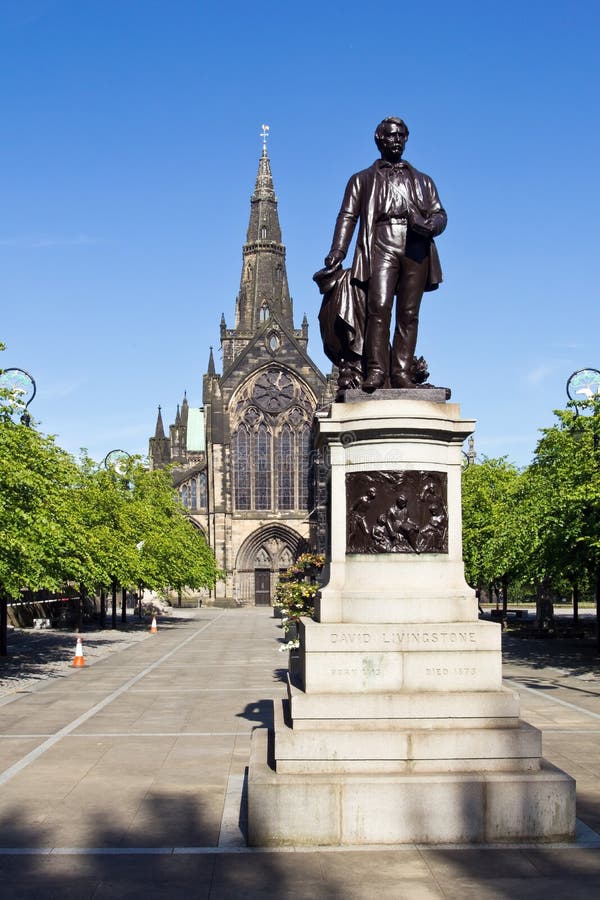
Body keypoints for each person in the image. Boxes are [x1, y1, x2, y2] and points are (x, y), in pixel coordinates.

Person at [325, 117, 447, 390]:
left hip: (415, 246)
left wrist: (430, 225)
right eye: (391, 135)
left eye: (402, 136)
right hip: (381, 242)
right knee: (377, 308)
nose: (397, 140)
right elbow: (348, 215)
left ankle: (402, 373)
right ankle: (377, 371)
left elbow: (440, 214)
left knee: (409, 313)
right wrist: (338, 250)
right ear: (379, 139)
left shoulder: (424, 181)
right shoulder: (361, 179)